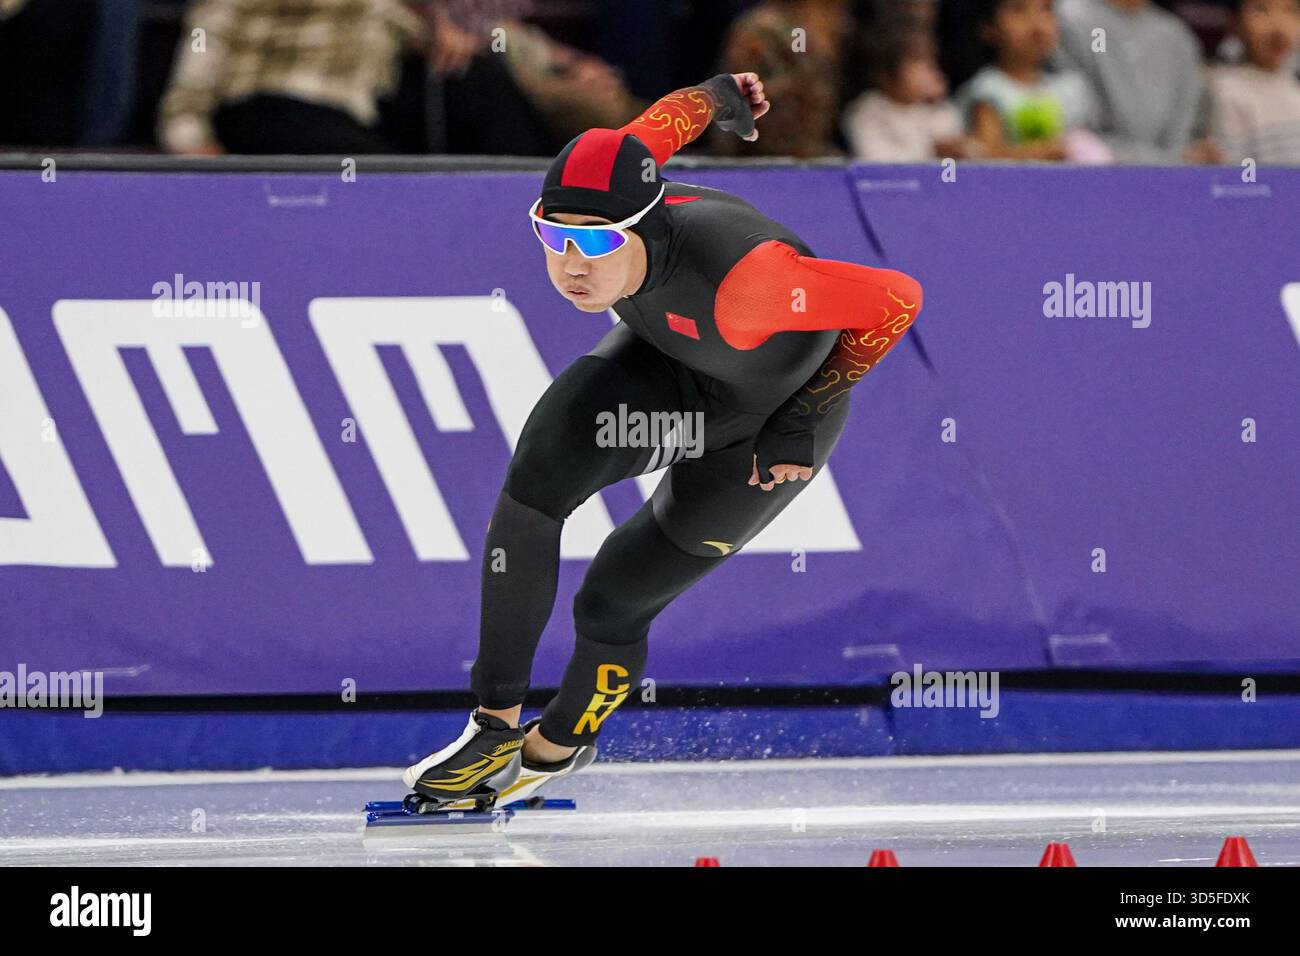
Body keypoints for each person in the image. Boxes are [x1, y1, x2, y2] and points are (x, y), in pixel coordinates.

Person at [401, 73, 926, 809]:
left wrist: (805, 415)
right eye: (552, 235)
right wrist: (723, 94)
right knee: (534, 486)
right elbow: (665, 121)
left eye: (593, 241)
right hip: (663, 373)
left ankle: (553, 751)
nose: (571, 264)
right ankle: (494, 723)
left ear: (644, 226)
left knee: (614, 598)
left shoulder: (752, 285)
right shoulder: (619, 167)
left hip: (762, 425)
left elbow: (896, 297)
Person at [1056, 0, 1219, 162]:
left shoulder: (1177, 37)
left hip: (1169, 178)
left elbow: (1185, 134)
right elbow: (1076, 135)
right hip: (1091, 175)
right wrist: (1169, 160)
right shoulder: (1068, 19)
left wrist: (1184, 157)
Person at [955, 0, 1106, 162]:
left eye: (1046, 9)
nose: (1037, 24)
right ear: (988, 28)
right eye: (1018, 9)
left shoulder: (1072, 87)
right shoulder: (987, 91)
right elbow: (985, 157)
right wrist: (1042, 153)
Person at [842, 29, 969, 162]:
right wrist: (932, 151)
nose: (931, 71)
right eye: (917, 62)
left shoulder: (936, 108)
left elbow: (958, 159)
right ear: (885, 73)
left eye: (931, 62)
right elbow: (876, 163)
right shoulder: (865, 112)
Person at [1209, 0, 1300, 164]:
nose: (1278, 26)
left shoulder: (1292, 83)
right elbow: (1239, 180)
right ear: (1236, 22)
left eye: (1291, 10)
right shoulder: (1229, 91)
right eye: (1261, 9)